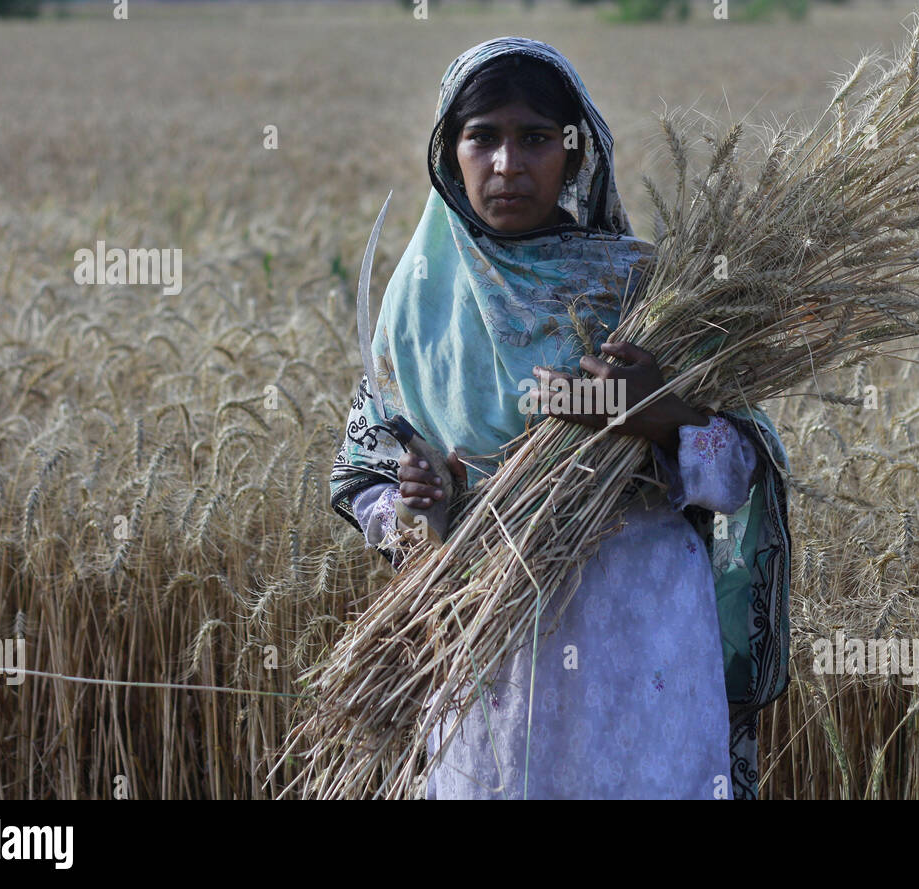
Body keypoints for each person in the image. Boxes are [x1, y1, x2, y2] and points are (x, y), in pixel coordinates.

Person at [329, 36, 792, 799]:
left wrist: (656, 414)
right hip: (491, 635)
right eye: (483, 137)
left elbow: (743, 468)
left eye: (537, 139)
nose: (508, 164)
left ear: (576, 157)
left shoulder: (649, 291)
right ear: (449, 155)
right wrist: (423, 508)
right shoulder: (417, 303)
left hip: (643, 629)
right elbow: (365, 473)